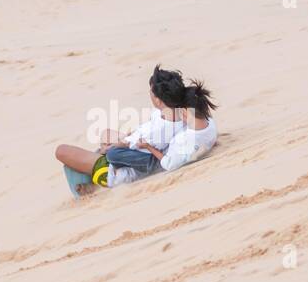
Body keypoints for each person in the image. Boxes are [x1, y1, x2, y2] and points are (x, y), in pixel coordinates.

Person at [54, 65, 186, 191]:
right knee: (106, 134)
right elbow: (137, 136)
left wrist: (108, 148)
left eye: (151, 92)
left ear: (157, 100)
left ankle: (94, 184)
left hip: (121, 170)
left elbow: (129, 145)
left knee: (61, 151)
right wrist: (124, 138)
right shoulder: (177, 112)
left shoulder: (159, 130)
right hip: (137, 150)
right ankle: (91, 165)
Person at [126, 80, 217, 178]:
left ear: (184, 112)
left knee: (114, 154)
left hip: (159, 161)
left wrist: (148, 147)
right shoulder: (209, 123)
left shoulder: (184, 139)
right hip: (182, 152)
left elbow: (169, 164)